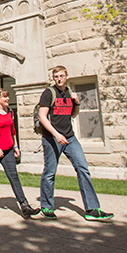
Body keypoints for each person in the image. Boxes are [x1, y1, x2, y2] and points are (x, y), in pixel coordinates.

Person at [37, 65, 114, 221]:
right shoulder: (48, 93)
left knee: (83, 168)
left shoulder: (69, 93)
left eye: (61, 76)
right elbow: (42, 117)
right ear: (54, 78)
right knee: (50, 172)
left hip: (70, 137)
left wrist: (77, 103)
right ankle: (46, 206)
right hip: (52, 138)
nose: (59, 79)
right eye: (56, 76)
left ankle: (92, 209)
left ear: (67, 76)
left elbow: (72, 114)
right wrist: (56, 135)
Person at [0, 88, 41, 219]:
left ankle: (24, 206)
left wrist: (16, 146)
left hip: (8, 150)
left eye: (7, 96)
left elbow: (12, 130)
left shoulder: (10, 111)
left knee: (14, 176)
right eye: (4, 97)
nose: (7, 99)